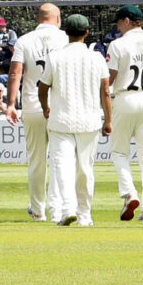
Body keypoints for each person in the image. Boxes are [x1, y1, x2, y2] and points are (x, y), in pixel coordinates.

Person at [33, 14, 110, 228]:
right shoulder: (97, 58)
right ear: (87, 33)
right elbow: (105, 91)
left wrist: (45, 107)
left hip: (61, 120)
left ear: (66, 33)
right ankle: (85, 215)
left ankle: (68, 209)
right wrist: (109, 119)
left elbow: (42, 87)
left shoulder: (55, 57)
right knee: (85, 169)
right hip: (89, 120)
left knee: (62, 166)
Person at [7, 3, 67, 222]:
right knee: (61, 159)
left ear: (38, 18)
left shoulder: (24, 40)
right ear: (58, 18)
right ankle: (57, 210)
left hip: (33, 105)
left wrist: (11, 103)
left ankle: (38, 210)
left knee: (37, 160)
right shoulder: (66, 39)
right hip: (60, 106)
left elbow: (15, 73)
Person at [106, 4, 143, 223]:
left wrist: (100, 98)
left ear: (127, 21)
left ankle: (130, 193)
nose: (118, 27)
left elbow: (110, 79)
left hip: (126, 98)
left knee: (120, 152)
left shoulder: (118, 44)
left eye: (119, 22)